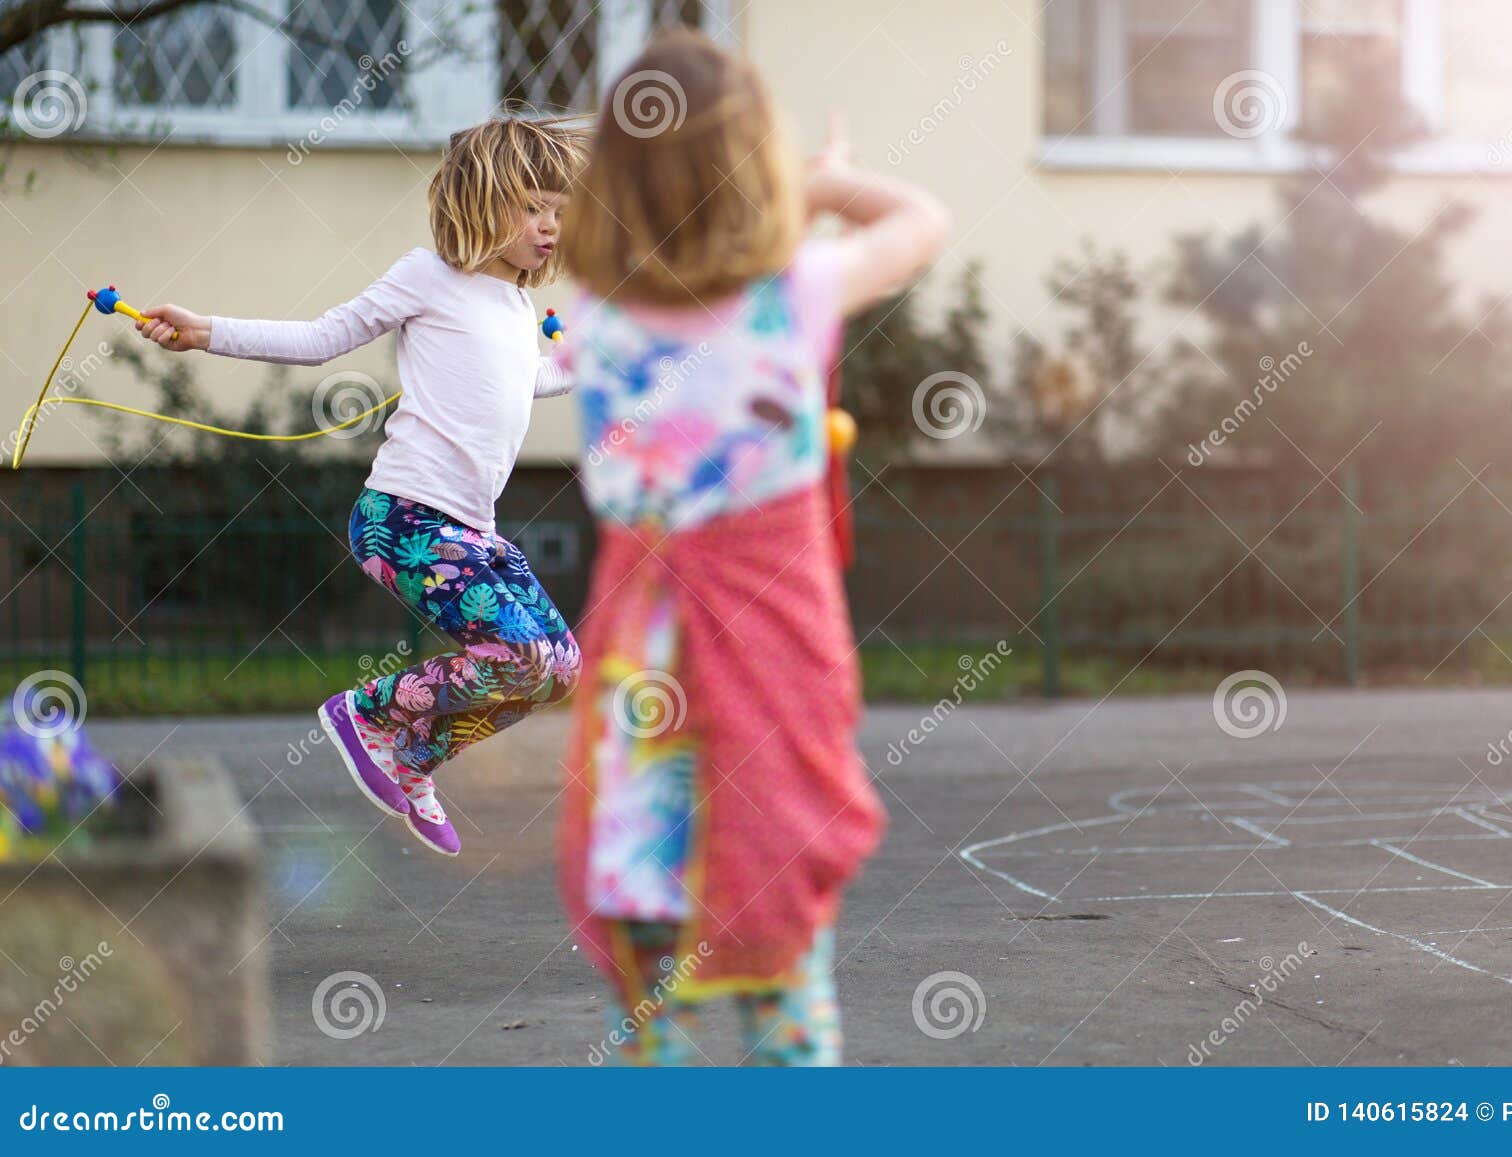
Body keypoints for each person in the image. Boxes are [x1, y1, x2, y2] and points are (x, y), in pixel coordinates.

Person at [556, 28, 951, 1064]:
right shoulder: (798, 295)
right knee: (781, 971)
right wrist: (829, 184)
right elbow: (922, 223)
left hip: (641, 693)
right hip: (764, 689)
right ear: (755, 168)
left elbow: (681, 269)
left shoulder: (594, 318)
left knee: (650, 990)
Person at [132, 118, 587, 857]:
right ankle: (367, 712)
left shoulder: (515, 306)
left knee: (558, 669)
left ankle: (415, 756)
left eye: (558, 212)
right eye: (533, 207)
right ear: (481, 199)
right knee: (514, 653)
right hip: (405, 519)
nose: (549, 227)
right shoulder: (427, 277)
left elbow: (521, 380)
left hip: (473, 531)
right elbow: (321, 339)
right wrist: (206, 331)